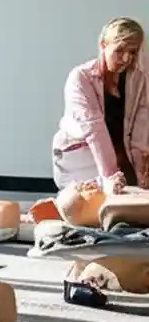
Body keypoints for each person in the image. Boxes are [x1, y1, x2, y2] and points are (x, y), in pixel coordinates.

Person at [52, 17, 148, 192]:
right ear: (103, 46)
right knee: (91, 202)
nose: (126, 58)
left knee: (136, 194)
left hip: (119, 155)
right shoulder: (80, 77)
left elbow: (141, 128)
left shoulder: (139, 78)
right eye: (119, 51)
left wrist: (142, 173)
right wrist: (110, 176)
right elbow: (94, 129)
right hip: (82, 156)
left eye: (133, 52)